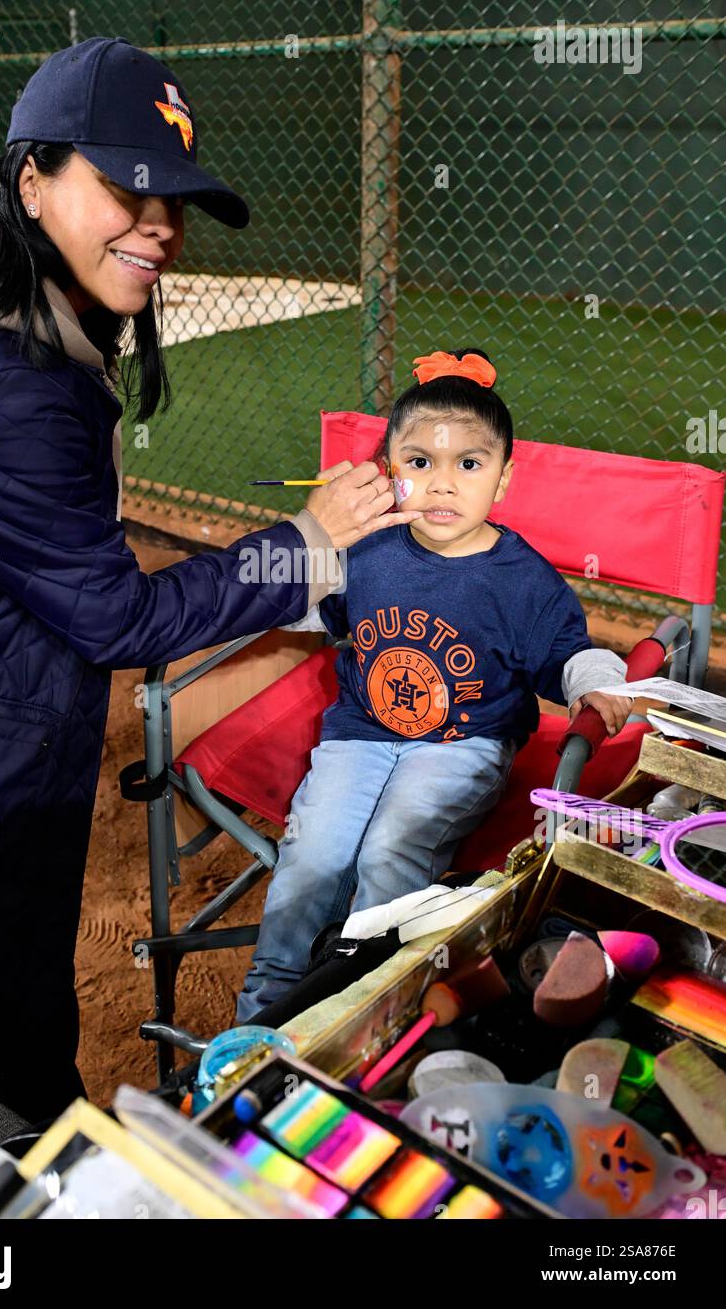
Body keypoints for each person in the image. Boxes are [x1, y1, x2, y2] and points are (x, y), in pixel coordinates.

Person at [0, 37, 418, 1122]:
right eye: (126, 185)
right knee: (10, 1072)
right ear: (33, 178)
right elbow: (116, 614)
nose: (160, 225)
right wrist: (306, 538)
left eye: (175, 199)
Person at [237, 349, 634, 1021]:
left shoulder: (521, 579)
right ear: (392, 473)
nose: (444, 486)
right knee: (313, 854)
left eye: (469, 465)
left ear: (503, 480)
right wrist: (282, 559)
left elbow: (571, 654)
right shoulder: (368, 547)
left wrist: (597, 685)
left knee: (393, 846)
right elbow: (300, 599)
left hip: (463, 743)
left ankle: (361, 1005)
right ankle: (266, 1007)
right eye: (421, 463)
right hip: (359, 734)